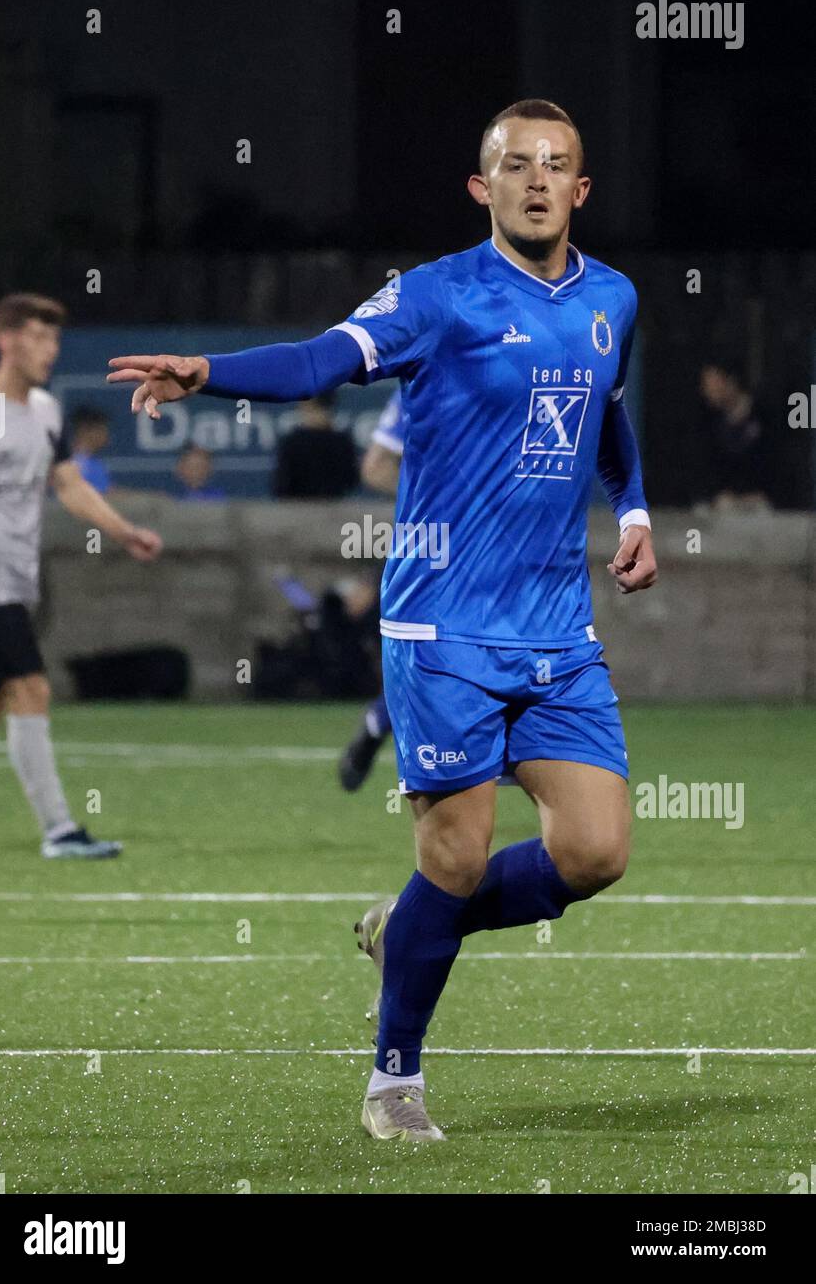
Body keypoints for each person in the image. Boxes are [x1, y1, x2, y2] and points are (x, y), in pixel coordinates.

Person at [108, 98, 657, 1141]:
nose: (536, 180)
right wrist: (206, 373)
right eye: (514, 165)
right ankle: (391, 1079)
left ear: (580, 189)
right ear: (480, 186)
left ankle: (401, 927)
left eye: (555, 166)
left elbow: (605, 410)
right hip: (440, 625)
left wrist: (629, 506)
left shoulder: (614, 300)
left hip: (555, 630)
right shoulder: (435, 296)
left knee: (593, 852)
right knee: (454, 856)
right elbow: (322, 360)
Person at [0, 293, 162, 857]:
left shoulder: (46, 412)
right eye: (38, 337)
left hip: (13, 581)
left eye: (55, 339)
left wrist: (122, 529)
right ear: (7, 340)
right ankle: (60, 831)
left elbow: (68, 484)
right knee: (32, 687)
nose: (50, 350)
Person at [338, 390, 404, 790]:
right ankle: (379, 719)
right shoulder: (429, 377)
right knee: (433, 657)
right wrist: (445, 499)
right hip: (450, 546)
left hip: (523, 544)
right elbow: (377, 467)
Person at [696, 362, 773, 510]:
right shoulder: (707, 423)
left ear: (731, 382)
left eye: (712, 383)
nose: (707, 391)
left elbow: (775, 467)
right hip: (721, 507)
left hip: (760, 506)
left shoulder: (764, 418)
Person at [272, 393, 359, 498]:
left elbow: (281, 485)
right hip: (334, 510)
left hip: (299, 511)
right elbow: (351, 480)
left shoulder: (293, 442)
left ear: (307, 403)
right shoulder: (343, 441)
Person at [69, 406, 113, 493]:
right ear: (85, 430)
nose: (106, 434)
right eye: (101, 429)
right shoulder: (73, 464)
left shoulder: (95, 464)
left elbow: (108, 491)